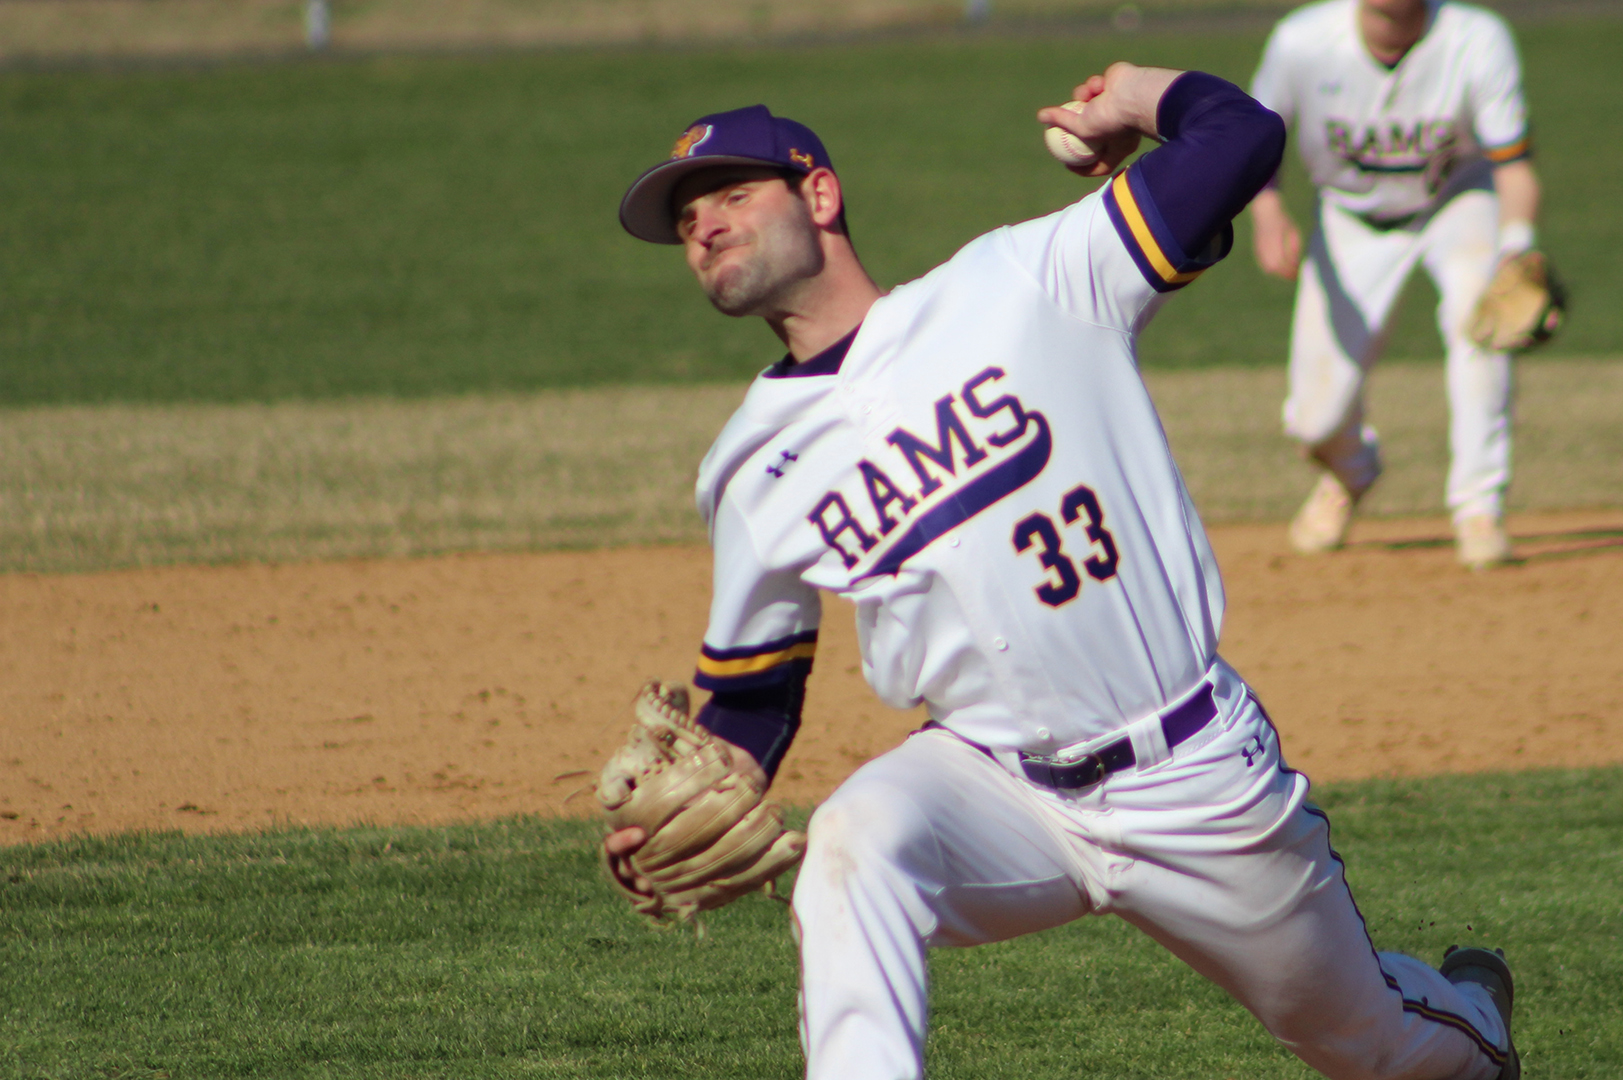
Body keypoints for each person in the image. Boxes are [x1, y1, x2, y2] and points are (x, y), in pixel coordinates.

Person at [604, 63, 1520, 1080]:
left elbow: (1243, 140)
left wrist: (1136, 94)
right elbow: (753, 696)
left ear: (819, 194)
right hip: (994, 783)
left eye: (732, 194)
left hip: (1192, 776)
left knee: (1373, 1049)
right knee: (853, 844)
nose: (704, 225)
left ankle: (1472, 1020)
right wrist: (684, 806)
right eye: (685, 217)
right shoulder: (746, 469)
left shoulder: (1024, 279)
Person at [1248, 0, 1543, 568]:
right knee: (1315, 419)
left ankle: (1479, 510)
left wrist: (1517, 245)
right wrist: (1267, 211)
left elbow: (1513, 163)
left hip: (1456, 203)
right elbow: (1255, 138)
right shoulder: (1301, 42)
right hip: (1348, 218)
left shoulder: (1477, 39)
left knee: (1481, 329)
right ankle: (1352, 473)